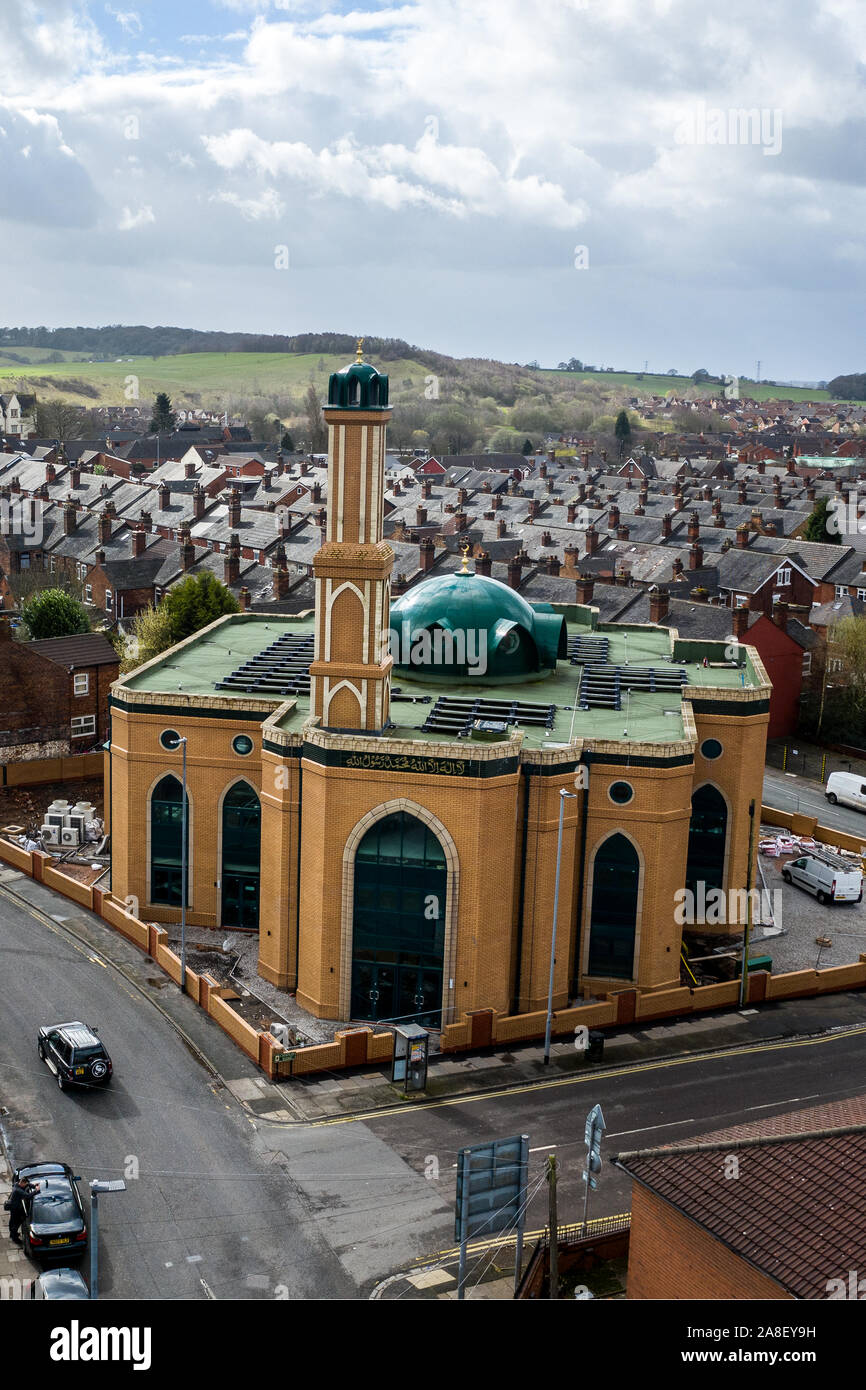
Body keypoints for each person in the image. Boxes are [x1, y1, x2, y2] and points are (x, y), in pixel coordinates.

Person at [6, 1176, 37, 1245]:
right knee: (16, 1223)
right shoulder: (18, 1190)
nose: (26, 1185)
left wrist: (33, 1185)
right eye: (25, 1184)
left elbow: (27, 1184)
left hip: (14, 1207)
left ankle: (12, 1234)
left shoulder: (17, 1184)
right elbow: (28, 1196)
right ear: (22, 1183)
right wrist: (36, 1190)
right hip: (15, 1209)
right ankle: (15, 1238)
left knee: (12, 1222)